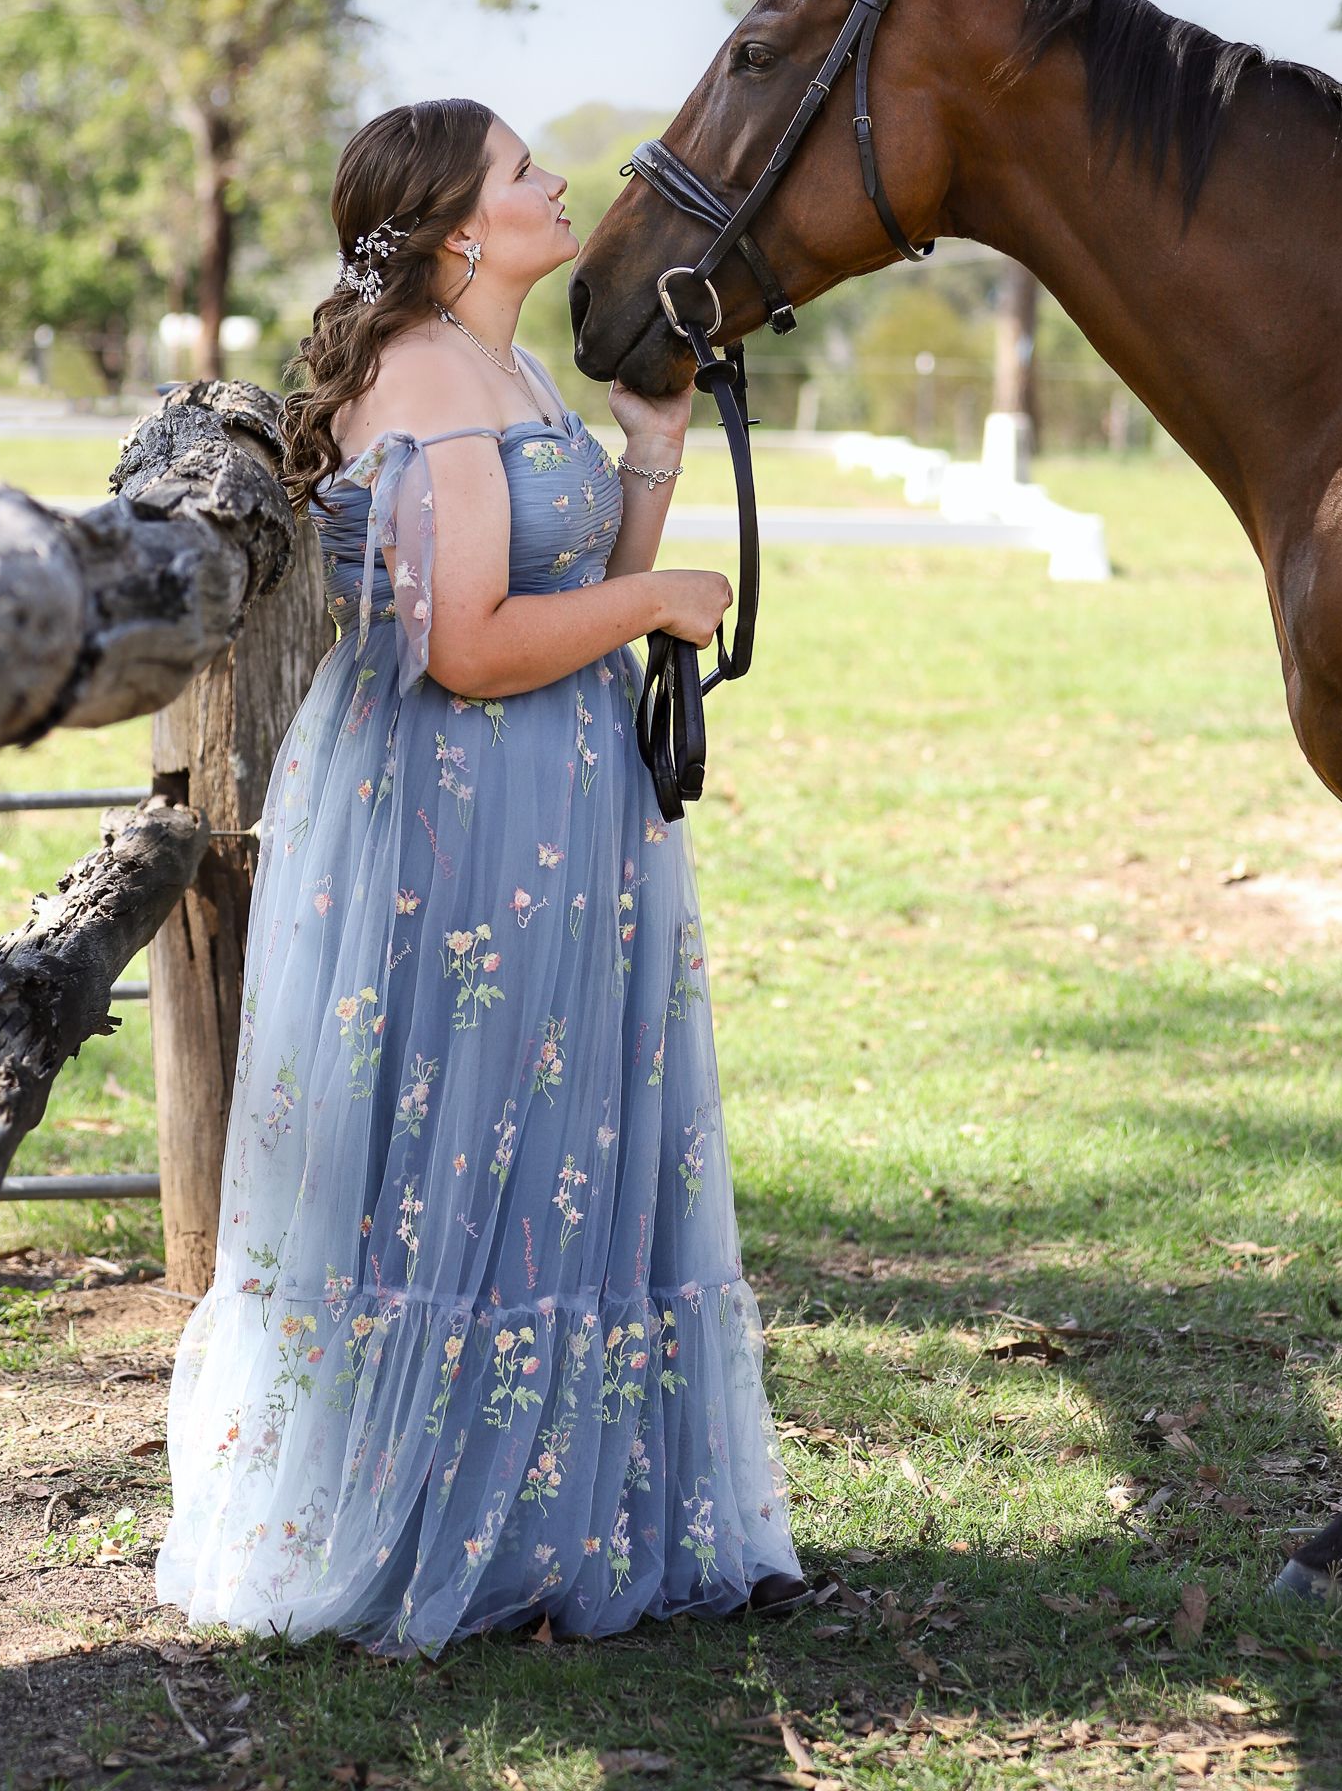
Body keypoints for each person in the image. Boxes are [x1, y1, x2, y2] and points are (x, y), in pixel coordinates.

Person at [154, 97, 805, 1655]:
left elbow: (555, 575)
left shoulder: (503, 364)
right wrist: (658, 592)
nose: (559, 182)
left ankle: (531, 1514)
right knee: (469, 1129)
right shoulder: (431, 377)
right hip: (461, 814)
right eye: (524, 170)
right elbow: (467, 645)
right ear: (459, 226)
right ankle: (424, 1515)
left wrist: (646, 464)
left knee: (548, 1136)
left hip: (559, 804)